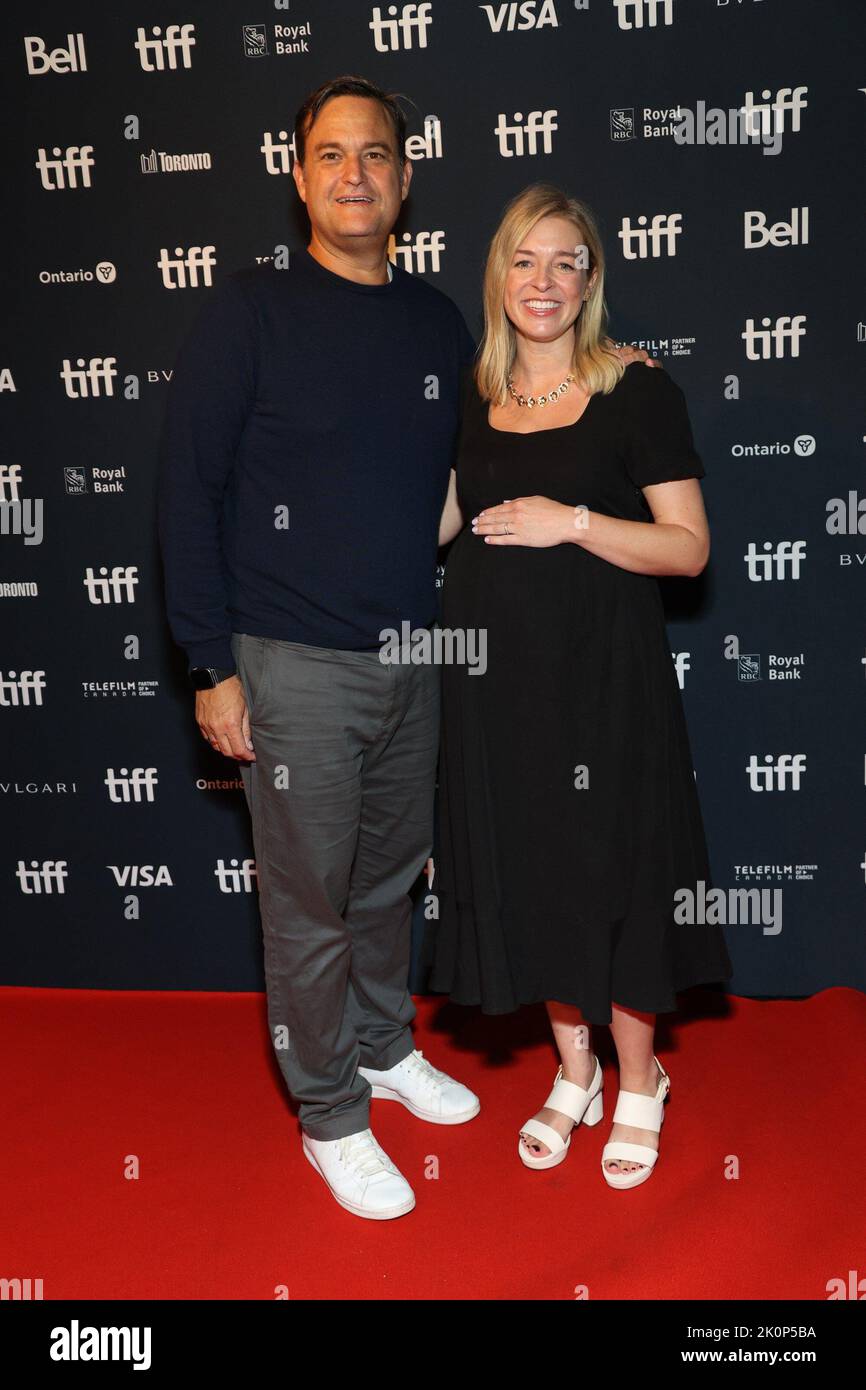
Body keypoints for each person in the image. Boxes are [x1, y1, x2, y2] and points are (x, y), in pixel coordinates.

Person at [158, 77, 655, 1221]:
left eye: (374, 155)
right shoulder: (248, 312)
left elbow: (513, 425)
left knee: (388, 886)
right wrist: (210, 661)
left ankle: (382, 1048)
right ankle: (329, 1112)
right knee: (307, 904)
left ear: (403, 178)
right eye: (330, 155)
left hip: (413, 656)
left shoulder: (436, 320)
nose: (353, 175)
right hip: (287, 661)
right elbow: (187, 492)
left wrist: (601, 362)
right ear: (298, 177)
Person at [431, 182, 734, 1190]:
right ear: (497, 275)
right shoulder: (470, 397)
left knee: (615, 873)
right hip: (493, 688)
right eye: (525, 259)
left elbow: (686, 548)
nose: (544, 280)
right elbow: (429, 523)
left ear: (591, 277)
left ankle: (639, 1079)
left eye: (566, 260)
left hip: (603, 683)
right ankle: (575, 1072)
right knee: (532, 872)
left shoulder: (633, 390)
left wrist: (574, 521)